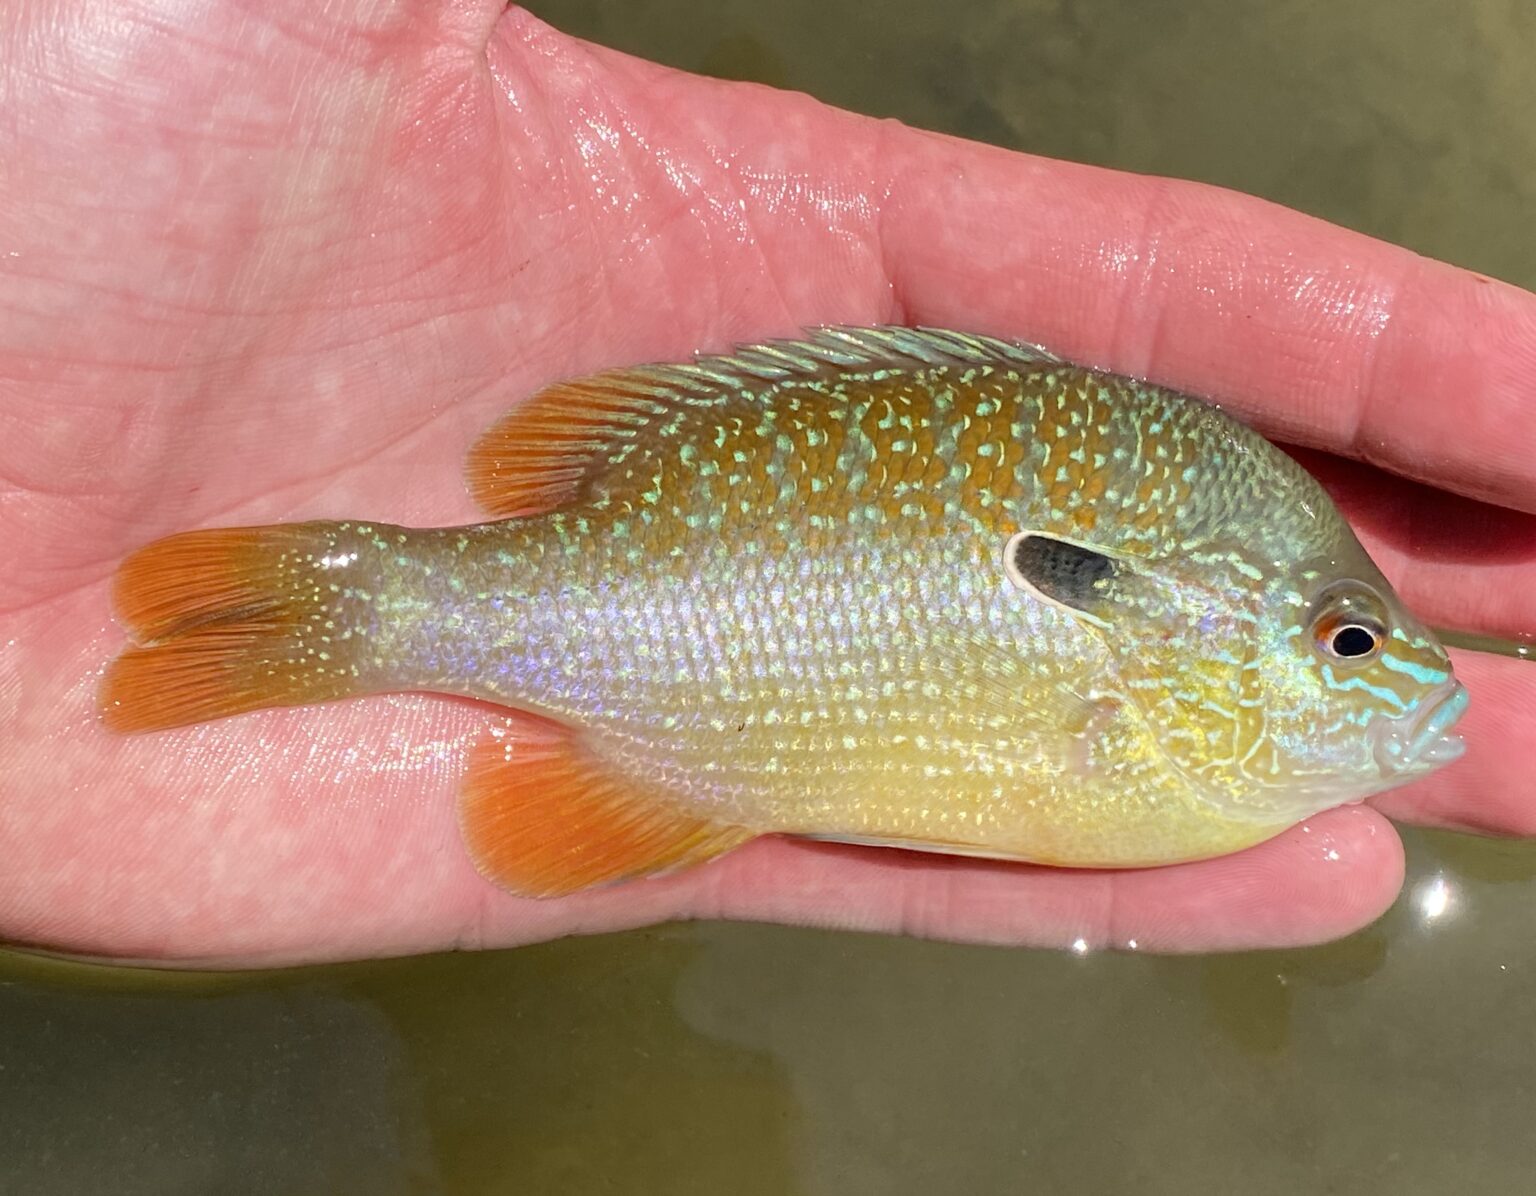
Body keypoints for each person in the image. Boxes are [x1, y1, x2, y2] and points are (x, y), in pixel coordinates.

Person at [1, 1, 1531, 967]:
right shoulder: (1183, 687)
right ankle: (363, 608)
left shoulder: (1201, 706)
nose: (1400, 683)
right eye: (1346, 639)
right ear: (1189, 619)